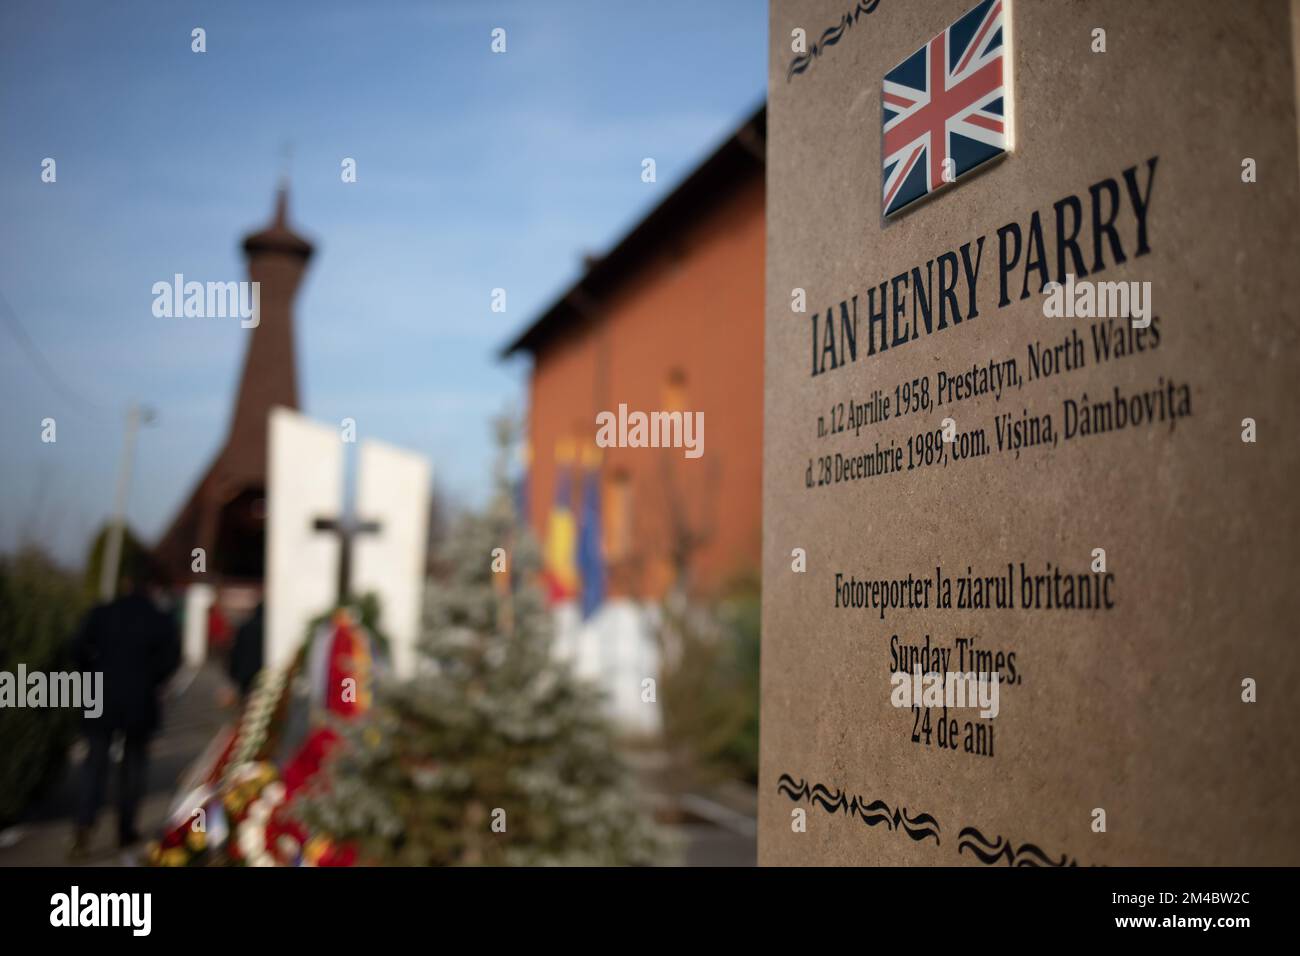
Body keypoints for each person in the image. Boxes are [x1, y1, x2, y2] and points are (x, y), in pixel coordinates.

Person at [69, 560, 181, 856]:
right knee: (133, 767)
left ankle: (83, 825)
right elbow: (171, 661)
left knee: (94, 766)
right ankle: (125, 828)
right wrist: (151, 679)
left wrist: (91, 675)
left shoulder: (101, 614)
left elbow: (77, 649)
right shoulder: (160, 619)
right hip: (140, 701)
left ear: (126, 583)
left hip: (100, 698)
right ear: (152, 587)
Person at [228, 600, 264, 700]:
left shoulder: (244, 627)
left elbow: (236, 650)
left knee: (246, 699)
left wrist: (233, 671)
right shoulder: (267, 628)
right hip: (261, 669)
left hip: (244, 671)